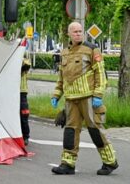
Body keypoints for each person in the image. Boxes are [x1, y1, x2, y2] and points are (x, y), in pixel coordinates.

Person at [50, 21, 118, 175]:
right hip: (70, 100)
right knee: (70, 131)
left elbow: (100, 74)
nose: (78, 33)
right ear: (68, 34)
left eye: (80, 31)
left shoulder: (92, 50)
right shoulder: (64, 53)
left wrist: (98, 94)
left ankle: (110, 161)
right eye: (75, 31)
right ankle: (67, 164)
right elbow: (61, 77)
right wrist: (56, 95)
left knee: (95, 130)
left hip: (88, 98)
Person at [20, 53, 31, 146]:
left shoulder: (24, 57)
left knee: (24, 115)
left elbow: (26, 66)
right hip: (11, 92)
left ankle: (25, 136)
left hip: (22, 92)